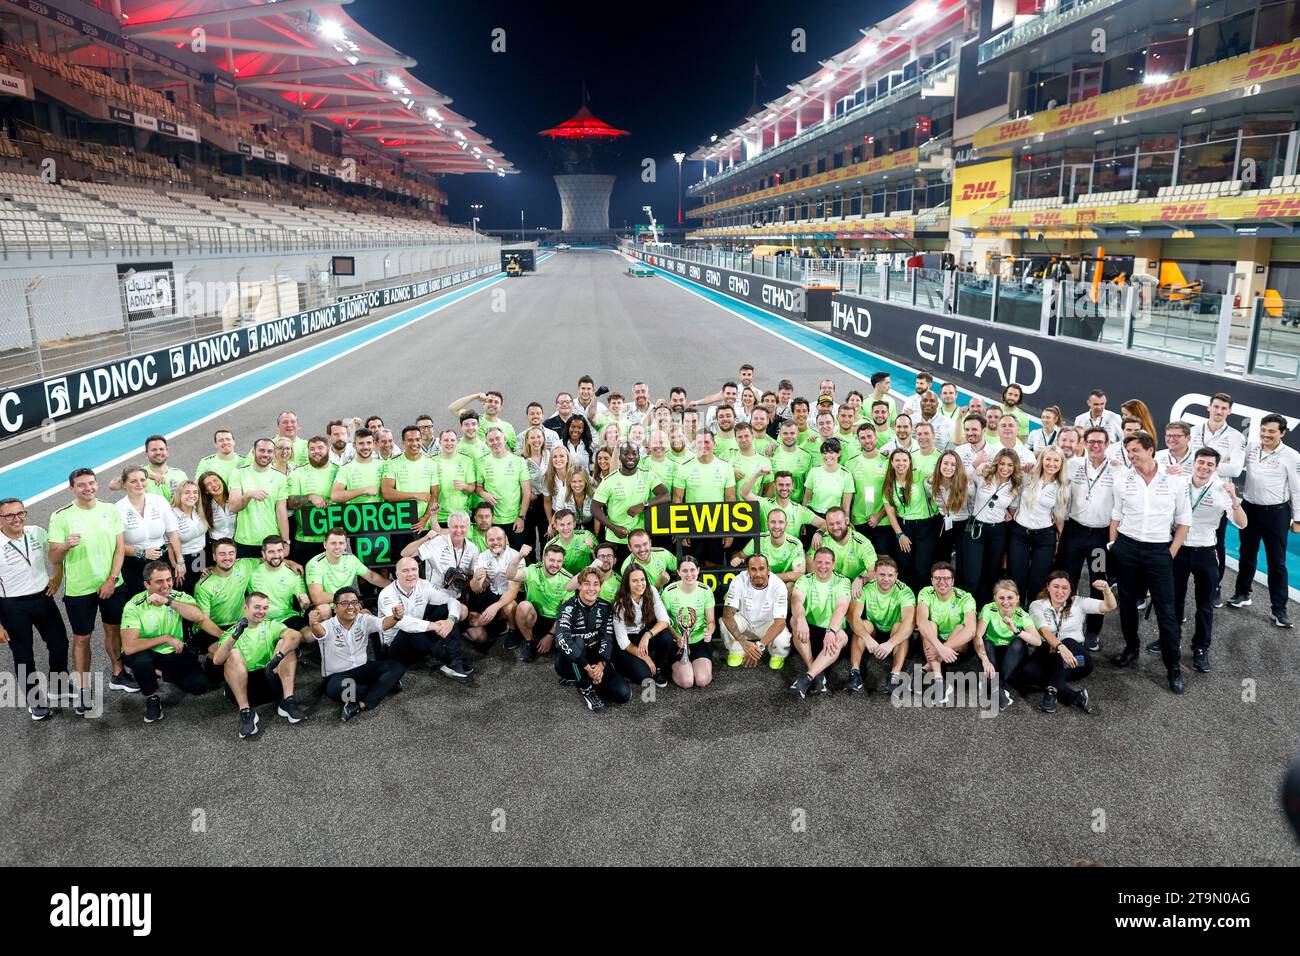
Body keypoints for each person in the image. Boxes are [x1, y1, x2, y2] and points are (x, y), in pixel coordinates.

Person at [1108, 431, 1192, 693]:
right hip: (1128, 547)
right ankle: (1131, 647)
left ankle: (1173, 666)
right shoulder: (1123, 479)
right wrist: (1114, 545)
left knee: (1167, 611)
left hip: (1159, 551)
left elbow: (1184, 520)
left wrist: (1172, 551)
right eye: (1128, 451)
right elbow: (1116, 515)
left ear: (1150, 449)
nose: (1131, 456)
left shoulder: (1175, 480)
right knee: (1127, 605)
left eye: (1135, 450)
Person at [1148, 448, 1246, 670]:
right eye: (1201, 462)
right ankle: (1169, 640)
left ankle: (1201, 648)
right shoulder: (1178, 483)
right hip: (1178, 549)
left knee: (1205, 605)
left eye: (1210, 465)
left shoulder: (1222, 490)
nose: (1204, 467)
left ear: (1216, 468)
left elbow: (1242, 523)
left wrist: (1234, 498)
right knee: (1174, 601)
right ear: (1194, 463)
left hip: (1205, 551)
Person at [48, 468, 129, 707]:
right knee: (82, 639)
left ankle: (118, 673)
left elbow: (120, 548)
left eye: (91, 483)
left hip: (112, 584)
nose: (88, 488)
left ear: (97, 484)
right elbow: (53, 558)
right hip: (80, 590)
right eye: (81, 485)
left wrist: (112, 579)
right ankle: (83, 689)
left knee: (113, 629)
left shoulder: (110, 509)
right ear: (72, 488)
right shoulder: (60, 516)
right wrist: (64, 545)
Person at [118, 561, 223, 723]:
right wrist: (166, 638)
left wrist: (169, 601)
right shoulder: (134, 606)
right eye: (159, 581)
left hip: (175, 652)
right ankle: (152, 698)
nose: (166, 585)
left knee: (199, 686)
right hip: (148, 652)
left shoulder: (178, 597)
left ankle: (160, 673)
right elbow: (130, 647)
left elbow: (199, 617)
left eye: (168, 580)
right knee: (139, 660)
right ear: (147, 584)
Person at [1227, 413, 1299, 628]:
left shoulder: (1292, 456)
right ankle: (1242, 594)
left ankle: (1279, 609)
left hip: (1276, 513)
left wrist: (1298, 519)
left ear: (1282, 433)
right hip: (1249, 508)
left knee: (1277, 562)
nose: (1266, 435)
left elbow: (1297, 489)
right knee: (1246, 554)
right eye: (1263, 430)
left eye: (1271, 431)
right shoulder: (1251, 449)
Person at [0, 498, 68, 720]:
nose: (16, 518)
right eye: (9, 515)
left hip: (43, 597)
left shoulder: (37, 532)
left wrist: (57, 577)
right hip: (12, 606)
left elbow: (56, 554)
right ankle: (34, 701)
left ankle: (58, 687)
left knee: (59, 643)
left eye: (20, 513)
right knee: (23, 654)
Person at [209, 592, 306, 739]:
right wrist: (234, 636)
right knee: (232, 654)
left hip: (269, 680)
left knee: (285, 645)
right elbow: (217, 660)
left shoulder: (271, 625)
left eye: (265, 608)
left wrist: (278, 656)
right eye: (257, 607)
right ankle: (246, 712)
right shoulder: (232, 632)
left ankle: (288, 701)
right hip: (243, 688)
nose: (261, 612)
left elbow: (295, 636)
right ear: (246, 608)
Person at [302, 586, 405, 721]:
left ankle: (360, 704)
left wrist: (396, 617)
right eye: (345, 603)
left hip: (363, 669)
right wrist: (313, 623)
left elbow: (384, 623)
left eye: (354, 602)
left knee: (398, 666)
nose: (351, 606)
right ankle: (382, 687)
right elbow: (318, 631)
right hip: (337, 677)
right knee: (340, 689)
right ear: (335, 608)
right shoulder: (328, 625)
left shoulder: (364, 619)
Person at [1057, 426, 1117, 652]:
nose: (1095, 445)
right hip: (1074, 532)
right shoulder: (1073, 465)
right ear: (1084, 443)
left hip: (1099, 538)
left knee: (1098, 582)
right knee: (1067, 581)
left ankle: (1093, 632)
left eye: (1100, 442)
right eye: (1091, 441)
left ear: (1107, 444)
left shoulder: (1116, 469)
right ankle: (1065, 626)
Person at [1025, 573, 1114, 714]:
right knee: (1027, 672)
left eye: (1064, 588)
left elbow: (1109, 606)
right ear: (1048, 587)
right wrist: (1060, 647)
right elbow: (1044, 631)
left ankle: (1051, 691)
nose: (1060, 592)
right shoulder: (1037, 605)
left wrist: (1106, 591)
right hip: (1050, 655)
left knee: (1068, 642)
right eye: (1056, 587)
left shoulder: (1079, 602)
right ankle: (1075, 696)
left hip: (1077, 661)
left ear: (1071, 590)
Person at [377, 557, 473, 679]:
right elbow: (404, 624)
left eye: (414, 569)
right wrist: (436, 626)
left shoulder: (423, 585)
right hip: (395, 648)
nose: (411, 574)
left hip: (418, 641)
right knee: (411, 631)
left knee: (446, 610)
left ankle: (454, 661)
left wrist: (450, 620)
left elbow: (451, 601)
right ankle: (449, 658)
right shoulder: (387, 594)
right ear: (396, 574)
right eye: (405, 571)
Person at [1190, 393, 1246, 602]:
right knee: (1181, 534)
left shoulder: (1236, 437)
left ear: (1229, 411)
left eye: (1224, 408)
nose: (1219, 411)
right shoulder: (1194, 431)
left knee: (1217, 541)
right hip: (1191, 490)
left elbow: (1237, 469)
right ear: (1209, 408)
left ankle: (1215, 586)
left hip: (1218, 494)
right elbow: (1188, 461)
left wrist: (1204, 463)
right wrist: (1218, 463)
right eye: (1216, 407)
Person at [554, 567, 627, 712]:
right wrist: (588, 669)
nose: (591, 588)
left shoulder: (605, 607)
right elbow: (563, 640)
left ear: (600, 587)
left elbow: (607, 638)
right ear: (579, 585)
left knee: (623, 694)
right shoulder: (567, 607)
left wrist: (601, 666)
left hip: (594, 659)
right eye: (587, 584)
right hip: (567, 662)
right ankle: (586, 688)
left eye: (596, 584)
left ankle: (592, 680)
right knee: (577, 642)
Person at [1007, 448, 1069, 605]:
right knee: (1017, 578)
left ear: (1062, 464)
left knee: (1038, 581)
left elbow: (1059, 517)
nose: (1051, 464)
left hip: (1044, 536)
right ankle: (1016, 614)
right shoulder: (1028, 476)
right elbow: (1012, 481)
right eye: (1048, 459)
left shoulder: (1062, 487)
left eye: (1056, 460)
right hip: (1020, 533)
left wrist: (1059, 541)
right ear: (1041, 460)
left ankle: (1033, 617)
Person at [845, 556, 915, 696]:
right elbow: (853, 617)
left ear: (896, 575)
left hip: (894, 634)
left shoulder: (905, 591)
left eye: (890, 575)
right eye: (882, 574)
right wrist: (867, 638)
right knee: (864, 625)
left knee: (900, 626)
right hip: (875, 631)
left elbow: (910, 623)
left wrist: (890, 644)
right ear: (875, 574)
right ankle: (855, 673)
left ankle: (894, 676)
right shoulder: (867, 588)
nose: (886, 579)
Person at [960, 449, 1022, 606]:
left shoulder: (1015, 485)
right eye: (1002, 463)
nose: (1005, 468)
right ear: (997, 463)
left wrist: (1007, 513)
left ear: (1015, 467)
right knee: (972, 575)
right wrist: (977, 465)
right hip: (976, 529)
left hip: (998, 532)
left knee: (991, 574)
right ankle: (968, 609)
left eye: (1010, 465)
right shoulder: (984, 474)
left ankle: (984, 610)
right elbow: (965, 476)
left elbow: (1013, 509)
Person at [788, 547, 852, 699]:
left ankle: (807, 677)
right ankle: (817, 674)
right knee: (794, 619)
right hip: (809, 632)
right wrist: (801, 619)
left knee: (841, 637)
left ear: (834, 564)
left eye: (827, 563)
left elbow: (841, 608)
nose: (823, 566)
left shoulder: (842, 581)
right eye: (819, 562)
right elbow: (796, 600)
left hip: (831, 631)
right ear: (814, 563)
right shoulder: (805, 579)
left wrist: (831, 631)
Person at [975, 579, 1044, 711]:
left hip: (1012, 655)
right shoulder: (989, 609)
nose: (1005, 602)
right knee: (986, 642)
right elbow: (978, 636)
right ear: (995, 597)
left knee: (1018, 642)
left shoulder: (1022, 615)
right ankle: (998, 688)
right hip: (992, 652)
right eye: (1001, 598)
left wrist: (1016, 630)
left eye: (1010, 598)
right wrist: (984, 660)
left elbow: (1037, 641)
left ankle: (996, 684)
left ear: (1017, 598)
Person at [592, 443, 669, 561]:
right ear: (619, 457)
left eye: (634, 453)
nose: (630, 457)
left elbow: (665, 495)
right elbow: (595, 508)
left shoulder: (647, 475)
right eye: (626, 453)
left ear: (639, 456)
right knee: (620, 577)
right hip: (616, 538)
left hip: (641, 540)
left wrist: (643, 505)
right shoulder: (609, 480)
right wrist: (613, 527)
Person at [915, 563, 978, 705]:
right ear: (931, 580)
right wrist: (939, 646)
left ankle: (926, 668)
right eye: (937, 578)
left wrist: (943, 648)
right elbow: (921, 621)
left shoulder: (966, 597)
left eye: (946, 578)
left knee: (960, 626)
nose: (942, 582)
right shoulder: (926, 592)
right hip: (933, 643)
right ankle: (938, 680)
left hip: (956, 649)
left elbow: (971, 630)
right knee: (930, 624)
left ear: (953, 581)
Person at [672, 432, 736, 566]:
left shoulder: (726, 467)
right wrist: (681, 530)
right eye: (700, 442)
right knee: (692, 566)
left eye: (707, 442)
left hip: (717, 525)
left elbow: (730, 499)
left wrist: (729, 531)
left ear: (714, 444)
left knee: (714, 566)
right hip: (693, 525)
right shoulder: (684, 467)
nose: (703, 446)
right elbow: (677, 499)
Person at [116, 465, 182, 595]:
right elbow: (118, 545)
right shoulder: (117, 509)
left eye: (142, 480)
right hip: (134, 564)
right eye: (133, 481)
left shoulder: (159, 501)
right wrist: (141, 553)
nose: (139, 484)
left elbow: (173, 533)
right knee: (140, 602)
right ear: (124, 484)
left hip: (161, 560)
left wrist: (180, 561)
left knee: (166, 598)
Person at [720, 554, 791, 670]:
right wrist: (742, 641)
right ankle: (736, 650)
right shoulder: (738, 580)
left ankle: (777, 655)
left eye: (762, 568)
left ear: (769, 569)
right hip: (745, 621)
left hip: (768, 625)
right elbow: (727, 616)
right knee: (724, 625)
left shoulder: (779, 586)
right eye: (753, 569)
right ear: (748, 570)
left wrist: (759, 647)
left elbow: (780, 623)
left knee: (783, 640)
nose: (758, 574)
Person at [880, 449, 936, 591]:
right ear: (891, 463)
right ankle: (907, 601)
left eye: (905, 460)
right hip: (903, 527)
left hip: (924, 526)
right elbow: (890, 513)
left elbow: (936, 479)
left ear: (910, 462)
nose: (901, 464)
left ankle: (922, 600)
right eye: (897, 460)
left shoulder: (919, 475)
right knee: (904, 566)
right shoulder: (888, 484)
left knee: (921, 569)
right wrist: (900, 534)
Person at [610, 565, 673, 687]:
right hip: (628, 642)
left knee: (666, 637)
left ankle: (659, 668)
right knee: (645, 676)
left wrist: (647, 635)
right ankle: (622, 667)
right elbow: (623, 642)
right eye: (634, 581)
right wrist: (645, 658)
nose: (640, 584)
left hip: (643, 633)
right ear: (627, 583)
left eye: (642, 579)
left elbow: (664, 620)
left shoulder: (651, 591)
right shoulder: (619, 603)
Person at [304, 529, 391, 615]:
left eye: (341, 543)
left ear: (346, 545)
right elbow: (317, 597)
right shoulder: (315, 564)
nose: (337, 547)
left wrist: (395, 586)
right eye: (333, 543)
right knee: (324, 610)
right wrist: (346, 599)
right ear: (325, 545)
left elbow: (371, 576)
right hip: (329, 606)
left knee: (366, 613)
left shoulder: (351, 559)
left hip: (347, 605)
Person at [661, 555, 716, 689]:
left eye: (692, 570)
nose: (689, 574)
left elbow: (711, 621)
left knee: (702, 680)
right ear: (678, 572)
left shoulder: (705, 591)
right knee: (687, 682)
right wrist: (676, 636)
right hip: (677, 642)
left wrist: (709, 631)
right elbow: (664, 621)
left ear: (698, 570)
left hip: (698, 640)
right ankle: (671, 665)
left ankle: (695, 662)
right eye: (685, 571)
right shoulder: (669, 592)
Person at [229, 438, 290, 560]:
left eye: (269, 451)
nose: (266, 454)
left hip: (271, 542)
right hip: (245, 541)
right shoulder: (238, 473)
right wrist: (248, 495)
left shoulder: (280, 477)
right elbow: (234, 507)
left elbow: (281, 512)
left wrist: (286, 542)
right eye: (262, 450)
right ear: (253, 451)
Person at [465, 529, 526, 648]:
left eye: (499, 539)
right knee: (474, 621)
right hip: (492, 593)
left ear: (505, 539)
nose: (495, 542)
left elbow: (512, 592)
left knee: (508, 606)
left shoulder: (516, 557)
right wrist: (476, 580)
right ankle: (499, 623)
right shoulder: (483, 556)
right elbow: (475, 589)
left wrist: (495, 607)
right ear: (486, 541)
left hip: (510, 596)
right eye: (491, 539)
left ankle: (513, 630)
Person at [477, 426, 532, 549]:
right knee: (496, 554)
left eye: (498, 438)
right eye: (491, 440)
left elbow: (527, 492)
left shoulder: (518, 461)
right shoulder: (482, 462)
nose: (495, 442)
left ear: (505, 439)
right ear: (487, 443)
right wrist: (483, 494)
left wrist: (521, 517)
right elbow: (478, 487)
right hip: (493, 521)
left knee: (518, 555)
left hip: (514, 520)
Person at [516, 543, 572, 662]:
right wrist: (519, 556)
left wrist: (550, 636)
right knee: (523, 606)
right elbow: (510, 575)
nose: (555, 565)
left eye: (559, 561)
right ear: (543, 558)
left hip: (555, 621)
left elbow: (565, 615)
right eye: (551, 560)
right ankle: (529, 641)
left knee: (565, 655)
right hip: (535, 616)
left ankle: (548, 639)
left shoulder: (568, 579)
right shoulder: (532, 570)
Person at [284, 436, 337, 563]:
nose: (316, 451)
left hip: (334, 539)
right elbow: (289, 503)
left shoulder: (339, 470)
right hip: (305, 539)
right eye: (312, 449)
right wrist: (309, 497)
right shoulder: (298, 473)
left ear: (328, 449)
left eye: (320, 447)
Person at [382, 426, 438, 532]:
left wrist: (425, 519)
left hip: (423, 525)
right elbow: (387, 493)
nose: (415, 443)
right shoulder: (392, 463)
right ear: (403, 442)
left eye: (417, 439)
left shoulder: (431, 463)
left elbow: (434, 495)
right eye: (410, 440)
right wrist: (415, 495)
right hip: (400, 524)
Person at [250, 536, 311, 630]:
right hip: (262, 619)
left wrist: (305, 603)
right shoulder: (251, 572)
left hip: (286, 616)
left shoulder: (294, 574)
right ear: (263, 554)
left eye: (279, 550)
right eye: (271, 552)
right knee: (291, 638)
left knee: (309, 636)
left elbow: (302, 604)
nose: (276, 555)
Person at [929, 449, 973, 567]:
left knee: (962, 561)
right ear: (940, 464)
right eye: (945, 463)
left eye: (953, 464)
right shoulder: (930, 483)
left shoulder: (967, 483)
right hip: (943, 522)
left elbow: (974, 503)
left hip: (962, 524)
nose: (949, 467)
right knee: (941, 559)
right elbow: (929, 498)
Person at [430, 429, 477, 534]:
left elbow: (472, 488)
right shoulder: (432, 461)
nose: (449, 443)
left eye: (452, 440)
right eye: (446, 440)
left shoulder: (467, 460)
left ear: (457, 442)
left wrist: (464, 486)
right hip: (440, 516)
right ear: (440, 442)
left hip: (461, 515)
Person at [803, 439, 854, 519]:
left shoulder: (846, 475)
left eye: (831, 452)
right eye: (825, 453)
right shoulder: (814, 471)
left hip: (834, 517)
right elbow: (807, 498)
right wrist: (803, 520)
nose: (827, 456)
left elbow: (846, 505)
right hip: (813, 516)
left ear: (838, 453)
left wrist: (846, 519)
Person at [449, 390, 517, 450]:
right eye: (490, 401)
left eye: (496, 402)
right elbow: (453, 409)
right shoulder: (473, 420)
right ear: (484, 403)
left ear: (500, 407)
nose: (492, 404)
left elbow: (515, 450)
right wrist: (475, 396)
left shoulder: (508, 427)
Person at [331, 428, 383, 504]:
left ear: (374, 444)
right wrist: (363, 490)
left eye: (369, 443)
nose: (365, 447)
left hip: (380, 514)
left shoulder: (383, 464)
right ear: (354, 445)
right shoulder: (345, 468)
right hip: (355, 515)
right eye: (361, 443)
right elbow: (335, 496)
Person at [171, 481, 207, 582]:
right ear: (179, 494)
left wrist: (200, 565)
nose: (192, 495)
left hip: (199, 557)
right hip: (182, 561)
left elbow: (199, 541)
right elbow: (169, 546)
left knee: (198, 591)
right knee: (185, 593)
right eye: (187, 492)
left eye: (195, 492)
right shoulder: (172, 515)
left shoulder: (198, 510)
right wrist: (177, 565)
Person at [198, 471, 237, 545]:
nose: (213, 485)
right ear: (206, 491)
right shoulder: (204, 508)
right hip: (216, 545)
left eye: (215, 480)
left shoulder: (234, 499)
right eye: (209, 484)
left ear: (221, 482)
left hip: (238, 543)